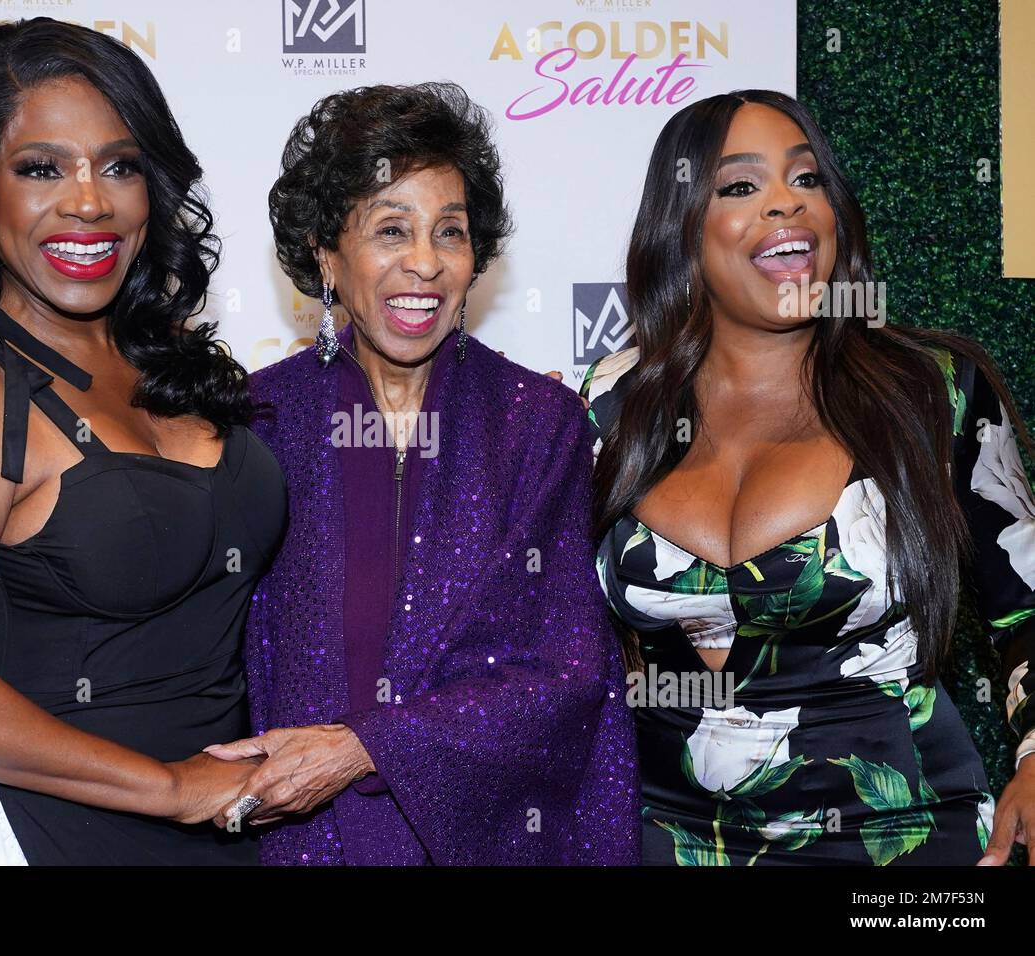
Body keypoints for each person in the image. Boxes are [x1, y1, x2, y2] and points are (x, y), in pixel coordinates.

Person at [0, 17, 284, 864]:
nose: (88, 201)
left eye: (119, 165)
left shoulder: (177, 361)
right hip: (45, 837)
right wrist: (175, 789)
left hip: (228, 840)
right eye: (41, 168)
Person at [581, 89, 1035, 865]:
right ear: (683, 228)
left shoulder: (934, 391)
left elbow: (1026, 605)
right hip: (662, 835)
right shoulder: (610, 403)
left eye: (808, 179)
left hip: (899, 838)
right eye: (741, 186)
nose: (786, 204)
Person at [203, 82, 641, 865]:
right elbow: (215, 648)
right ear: (325, 253)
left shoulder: (537, 423)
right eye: (391, 229)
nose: (426, 264)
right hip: (303, 840)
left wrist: (366, 746)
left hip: (487, 841)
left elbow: (569, 670)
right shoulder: (255, 421)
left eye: (451, 232)